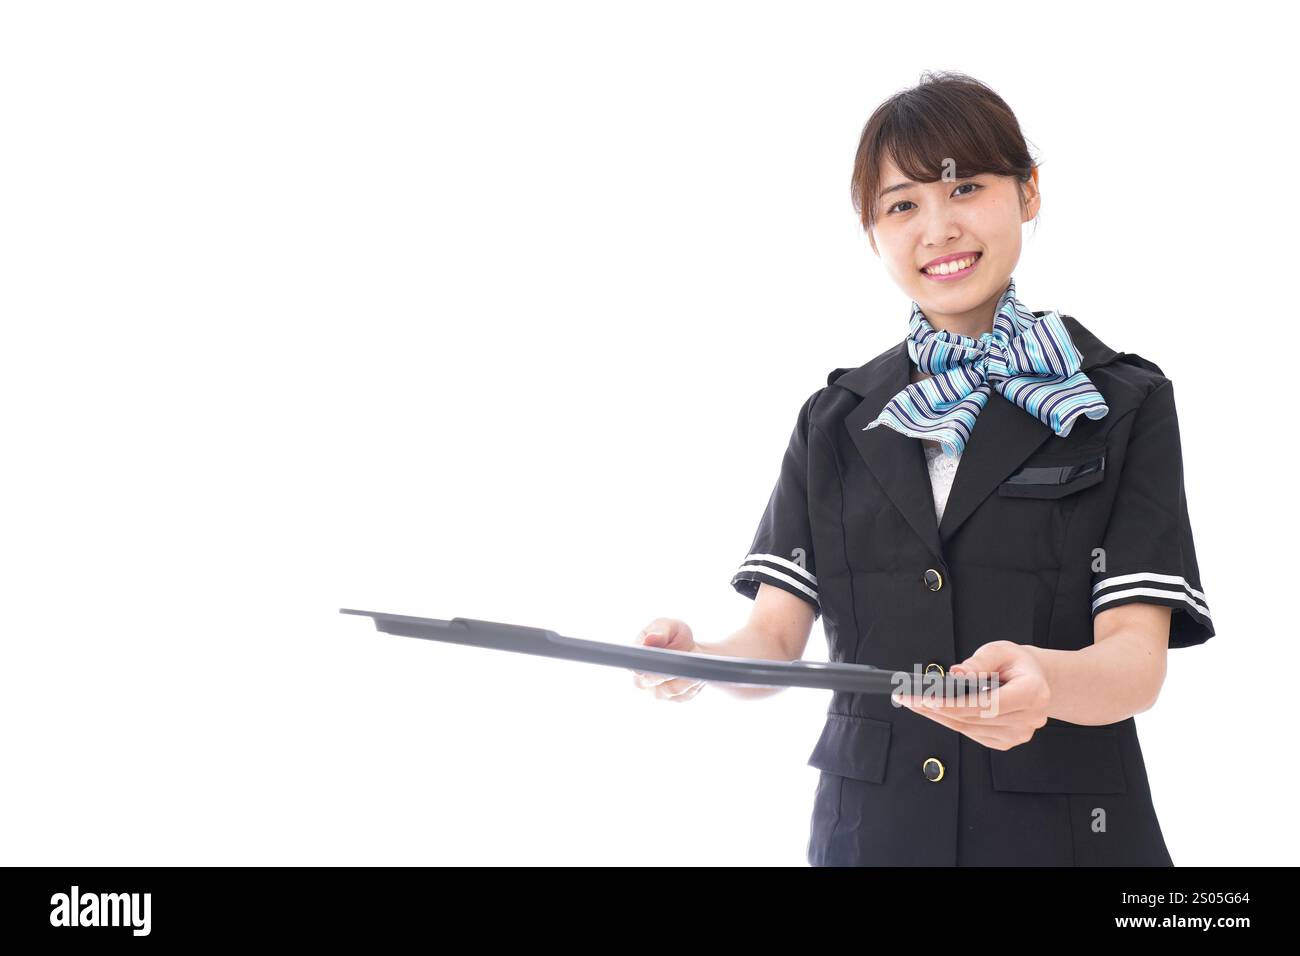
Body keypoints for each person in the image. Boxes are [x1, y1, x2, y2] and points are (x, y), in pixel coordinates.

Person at [629, 71, 1214, 867]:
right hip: (872, 838)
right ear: (871, 230)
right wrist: (696, 662)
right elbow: (773, 638)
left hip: (1068, 840)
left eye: (965, 187)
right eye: (901, 205)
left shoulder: (1121, 401)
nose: (937, 228)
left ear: (1029, 192)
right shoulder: (836, 419)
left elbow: (1136, 663)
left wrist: (1045, 678)